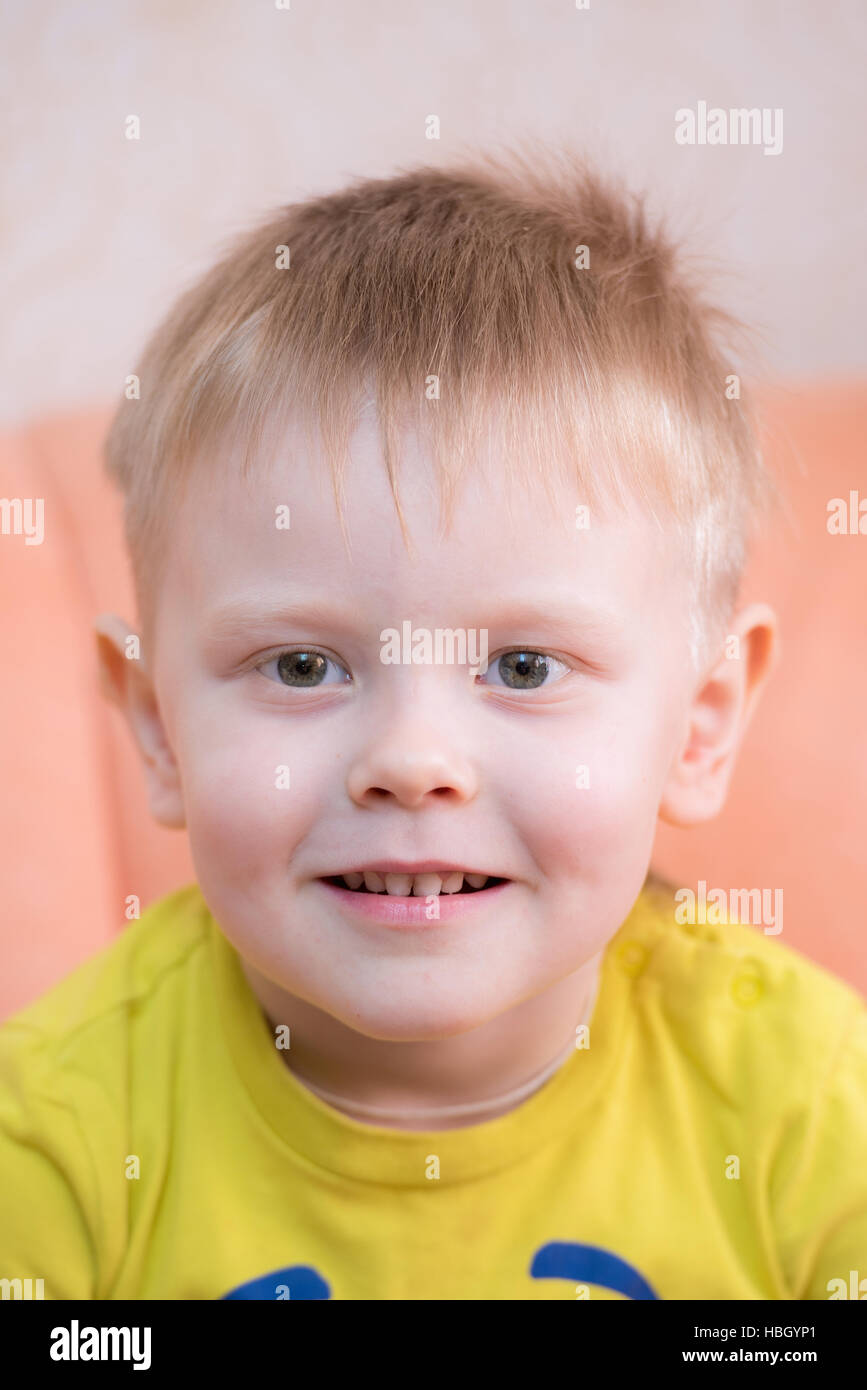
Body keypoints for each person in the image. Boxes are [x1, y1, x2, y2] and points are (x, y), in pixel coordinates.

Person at [1, 147, 864, 1300]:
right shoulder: (57, 1136)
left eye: (522, 664)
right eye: (302, 664)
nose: (411, 762)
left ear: (700, 725)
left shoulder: (811, 1108)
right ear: (157, 726)